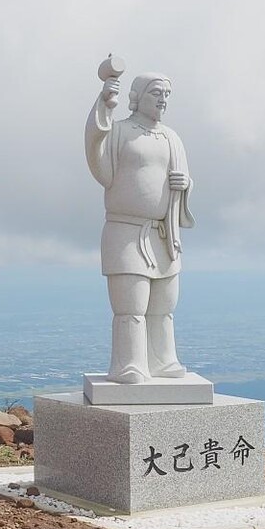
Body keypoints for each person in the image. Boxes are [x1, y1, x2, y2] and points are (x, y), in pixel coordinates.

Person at [84, 56, 193, 384]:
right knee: (130, 305)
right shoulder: (120, 132)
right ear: (137, 96)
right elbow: (97, 152)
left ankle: (162, 360)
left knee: (163, 305)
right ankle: (129, 365)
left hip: (163, 234)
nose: (162, 100)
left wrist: (185, 185)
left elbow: (184, 180)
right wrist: (105, 103)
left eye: (166, 94)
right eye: (156, 93)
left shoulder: (172, 138)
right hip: (126, 232)